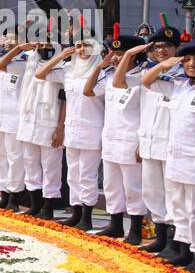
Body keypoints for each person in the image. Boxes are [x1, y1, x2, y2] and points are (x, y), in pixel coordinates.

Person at [143, 31, 195, 273]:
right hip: (176, 159)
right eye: (187, 60)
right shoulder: (178, 86)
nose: (192, 64)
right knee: (179, 207)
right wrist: (166, 63)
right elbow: (147, 81)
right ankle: (184, 251)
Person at [36, 35, 104, 230]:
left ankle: (87, 215)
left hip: (92, 128)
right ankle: (76, 213)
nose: (82, 50)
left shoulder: (102, 71)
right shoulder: (69, 70)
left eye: (87, 46)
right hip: (72, 128)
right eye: (78, 46)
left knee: (87, 174)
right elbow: (40, 74)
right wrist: (61, 56)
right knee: (73, 175)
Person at [89, 32, 149, 244]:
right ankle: (114, 224)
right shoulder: (110, 74)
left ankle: (134, 228)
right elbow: (88, 91)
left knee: (133, 187)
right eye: (114, 53)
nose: (114, 57)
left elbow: (122, 83)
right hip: (111, 137)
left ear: (134, 55)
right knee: (112, 185)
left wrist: (142, 142)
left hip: (131, 138)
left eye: (121, 54)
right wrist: (101, 66)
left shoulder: (143, 76)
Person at [138, 24, 182, 252]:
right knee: (152, 191)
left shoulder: (184, 74)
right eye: (157, 47)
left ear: (177, 48)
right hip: (149, 140)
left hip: (171, 144)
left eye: (167, 46)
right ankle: (160, 237)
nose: (162, 50)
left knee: (172, 194)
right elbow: (145, 87)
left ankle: (174, 242)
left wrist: (167, 65)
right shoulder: (151, 71)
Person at [14, 34, 64, 220]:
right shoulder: (31, 64)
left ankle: (48, 207)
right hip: (29, 121)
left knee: (51, 166)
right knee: (30, 162)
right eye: (41, 45)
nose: (45, 48)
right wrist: (20, 48)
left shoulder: (62, 69)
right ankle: (34, 205)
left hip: (50, 123)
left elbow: (64, 100)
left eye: (49, 45)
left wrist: (60, 128)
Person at [0, 32, 29, 209]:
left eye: (14, 38)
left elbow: (5, 65)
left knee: (15, 158)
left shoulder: (25, 60)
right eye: (7, 38)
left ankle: (14, 196)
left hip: (15, 118)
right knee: (0, 156)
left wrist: (18, 49)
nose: (9, 42)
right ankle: (3, 193)